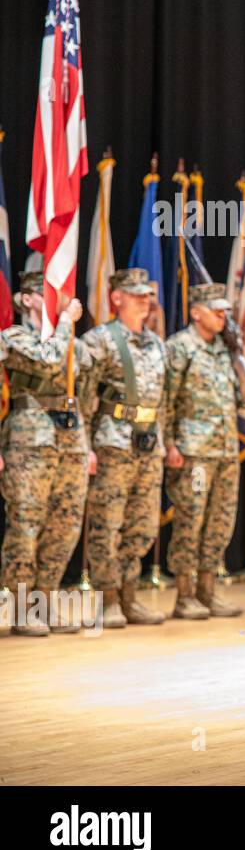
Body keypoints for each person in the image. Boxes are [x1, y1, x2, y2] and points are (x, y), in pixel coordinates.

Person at [163, 282, 245, 619]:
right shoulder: (179, 347)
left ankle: (208, 589)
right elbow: (166, 399)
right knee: (191, 520)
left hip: (225, 450)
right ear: (196, 312)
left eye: (225, 310)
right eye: (215, 310)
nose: (223, 316)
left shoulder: (226, 349)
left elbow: (232, 396)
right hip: (193, 452)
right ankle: (184, 594)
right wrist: (169, 444)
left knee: (220, 521)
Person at [0, 272, 91, 635]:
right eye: (46, 295)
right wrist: (67, 322)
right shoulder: (13, 337)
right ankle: (22, 608)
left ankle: (46, 600)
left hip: (71, 439)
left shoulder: (74, 344)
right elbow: (49, 359)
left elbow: (87, 390)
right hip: (30, 440)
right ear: (26, 300)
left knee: (65, 522)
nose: (58, 303)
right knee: (26, 523)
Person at [81, 268, 168, 628]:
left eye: (147, 294)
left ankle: (130, 594)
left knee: (143, 525)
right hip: (112, 443)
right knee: (107, 523)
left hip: (149, 443)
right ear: (116, 298)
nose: (144, 300)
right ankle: (108, 600)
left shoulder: (157, 344)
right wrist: (84, 445)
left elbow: (165, 400)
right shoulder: (99, 340)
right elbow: (84, 396)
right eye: (135, 294)